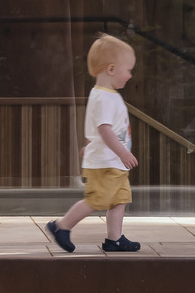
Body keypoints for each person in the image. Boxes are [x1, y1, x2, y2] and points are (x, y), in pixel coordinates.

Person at [46, 33, 141, 254]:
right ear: (110, 69)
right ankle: (62, 226)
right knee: (97, 199)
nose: (130, 75)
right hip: (106, 163)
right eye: (127, 69)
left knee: (119, 200)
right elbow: (105, 129)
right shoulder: (105, 97)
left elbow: (97, 129)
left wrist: (89, 145)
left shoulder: (105, 95)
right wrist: (123, 153)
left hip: (111, 161)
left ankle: (114, 239)